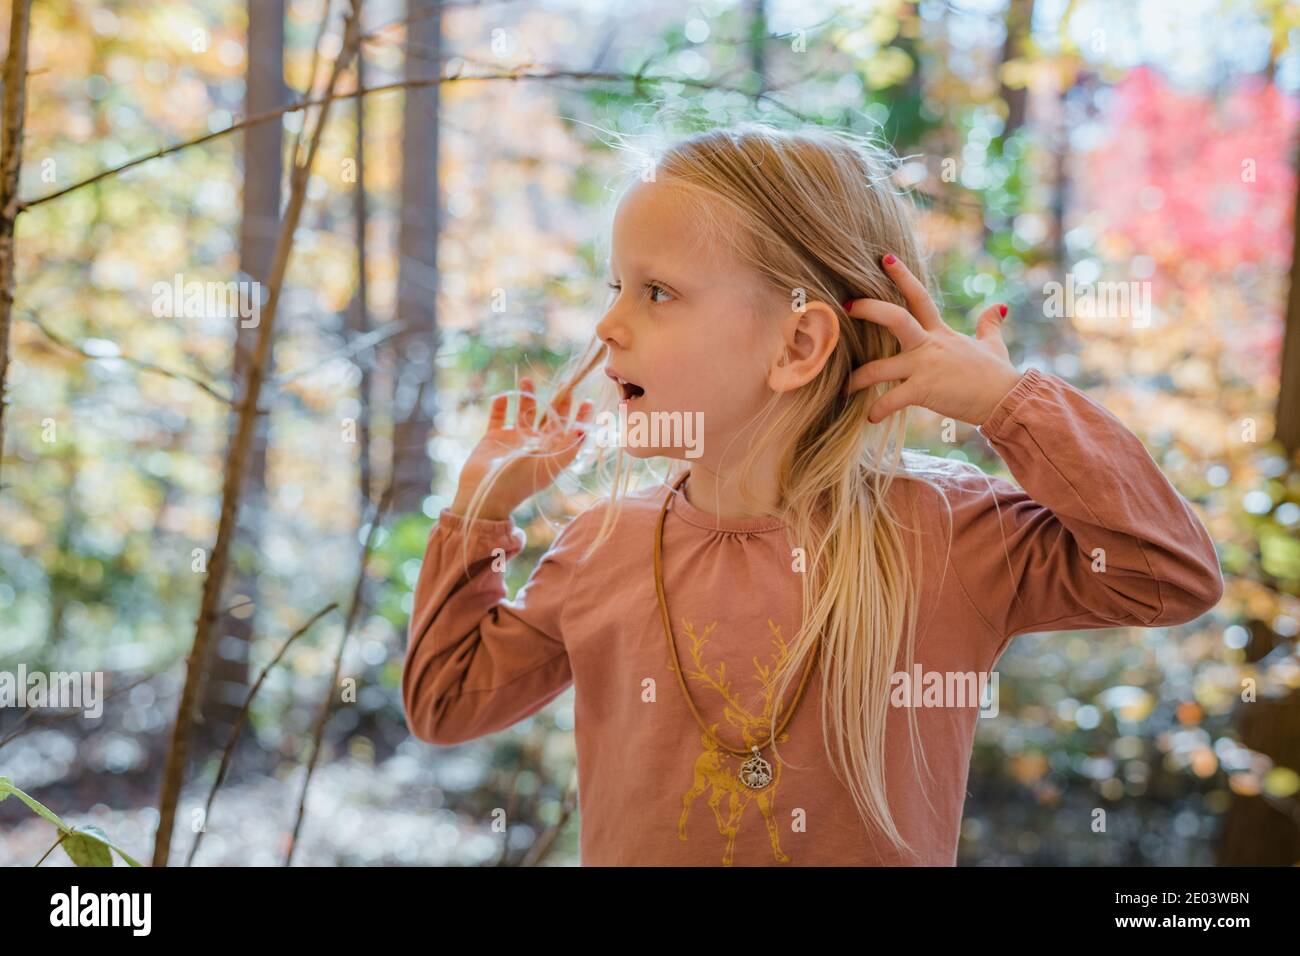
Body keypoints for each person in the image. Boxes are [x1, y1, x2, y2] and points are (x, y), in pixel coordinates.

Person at [401, 123, 1224, 866]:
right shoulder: (600, 546)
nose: (607, 326)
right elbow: (446, 704)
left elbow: (1170, 572)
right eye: (614, 286)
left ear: (799, 342)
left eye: (655, 292)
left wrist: (1008, 404)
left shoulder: (944, 533)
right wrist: (479, 511)